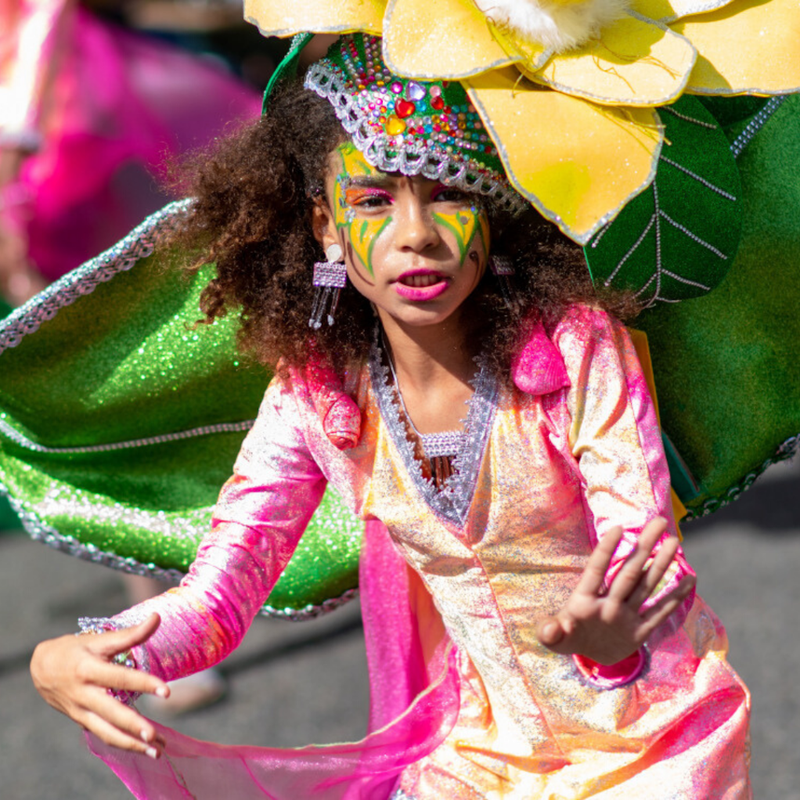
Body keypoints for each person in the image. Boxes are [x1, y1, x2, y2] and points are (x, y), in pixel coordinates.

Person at [29, 33, 750, 799]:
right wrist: (94, 656)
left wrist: (614, 642)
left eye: (449, 193)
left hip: (652, 742)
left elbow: (643, 547)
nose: (416, 236)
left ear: (494, 211)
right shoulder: (316, 394)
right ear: (326, 227)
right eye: (374, 200)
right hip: (481, 760)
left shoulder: (572, 346)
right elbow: (220, 596)